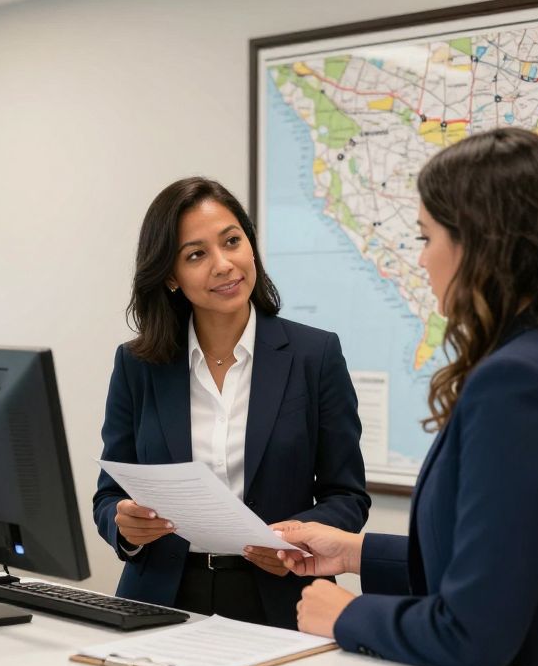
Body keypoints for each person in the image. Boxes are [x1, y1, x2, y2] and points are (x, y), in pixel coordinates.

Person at [276, 127, 538, 666]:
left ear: (482, 245)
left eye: (426, 237)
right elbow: (526, 560)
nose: (422, 259)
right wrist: (355, 551)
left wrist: (343, 616)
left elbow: (471, 631)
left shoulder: (517, 383)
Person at [93, 177, 370, 629]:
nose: (223, 265)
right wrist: (123, 526)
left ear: (251, 247)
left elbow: (347, 495)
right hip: (160, 598)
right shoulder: (138, 363)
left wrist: (289, 540)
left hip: (281, 598)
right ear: (170, 276)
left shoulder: (314, 355)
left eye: (232, 242)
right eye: (196, 255)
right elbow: (110, 494)